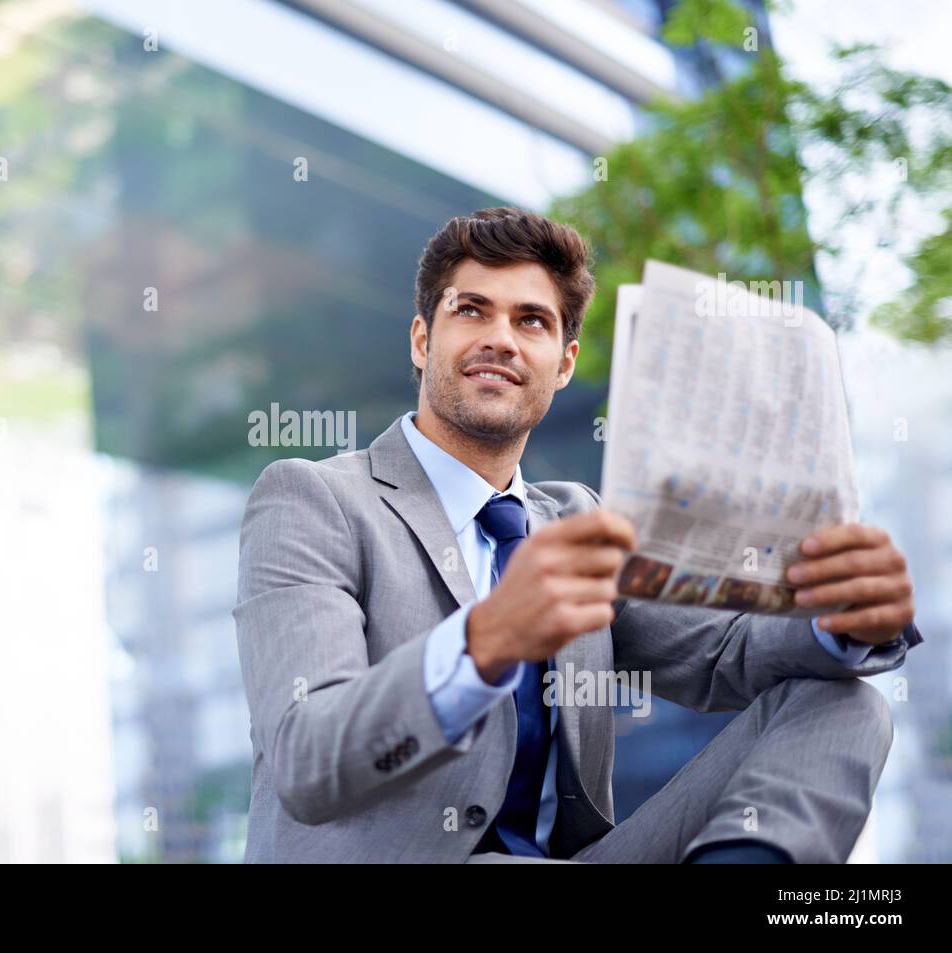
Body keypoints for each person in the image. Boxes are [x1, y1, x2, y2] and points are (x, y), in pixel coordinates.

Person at [232, 206, 921, 863]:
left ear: (562, 364)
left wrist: (845, 621)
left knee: (842, 699)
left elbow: (725, 654)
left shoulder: (574, 520)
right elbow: (305, 754)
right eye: (471, 309)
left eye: (531, 320)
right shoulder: (313, 498)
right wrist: (483, 644)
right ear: (422, 339)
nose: (500, 337)